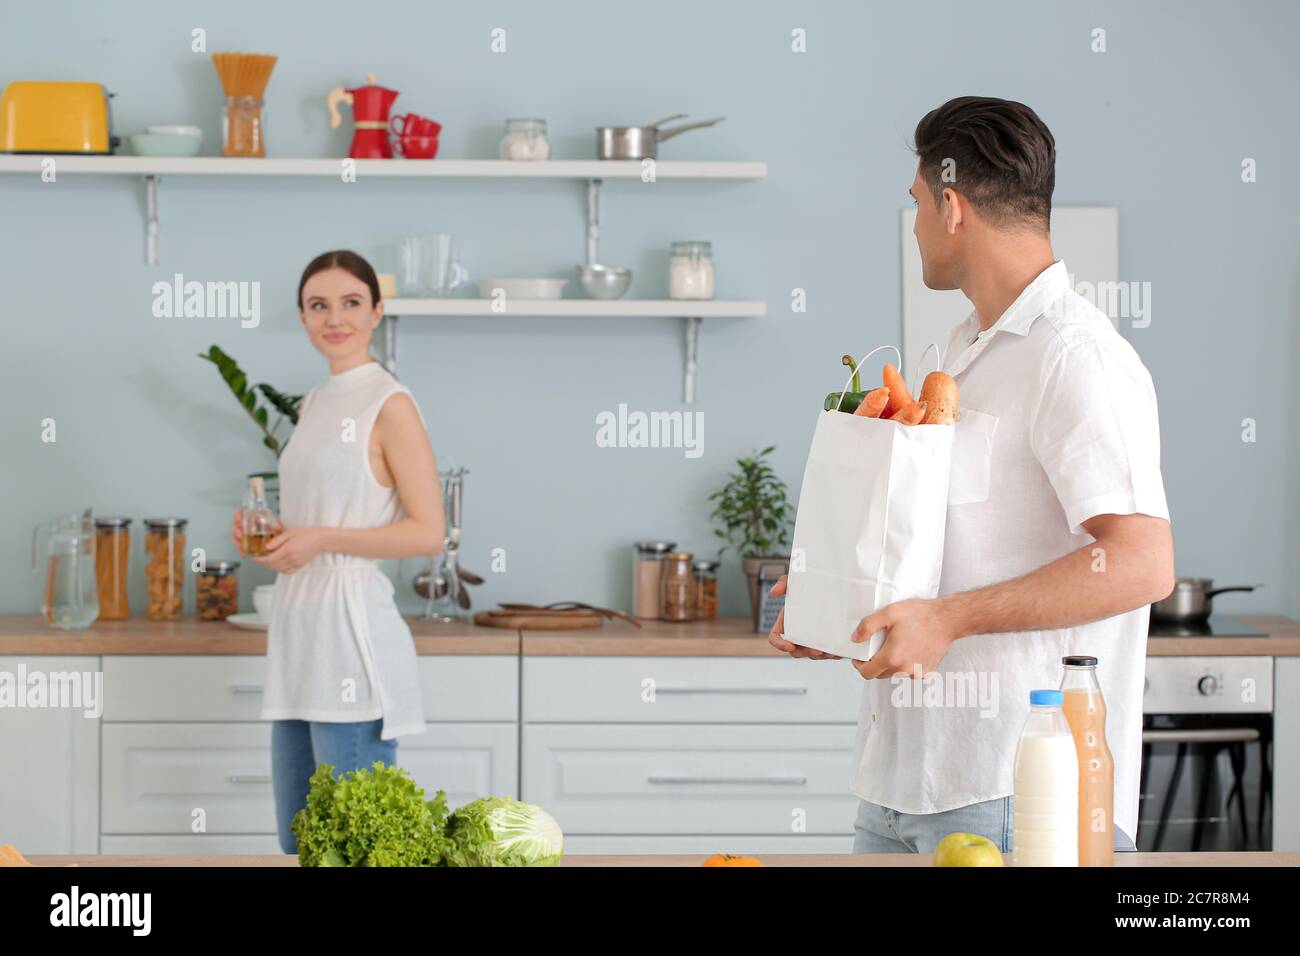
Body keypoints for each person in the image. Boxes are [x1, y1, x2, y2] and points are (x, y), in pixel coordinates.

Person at [769, 97, 1174, 854]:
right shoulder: (957, 351)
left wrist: (948, 620)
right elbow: (955, 543)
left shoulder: (1074, 356)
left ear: (951, 205)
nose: (916, 221)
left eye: (917, 202)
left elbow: (1142, 562)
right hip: (900, 786)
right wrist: (846, 602)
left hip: (1019, 792)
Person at [229, 250, 444, 854]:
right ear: (302, 317)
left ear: (377, 312)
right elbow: (318, 512)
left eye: (351, 302)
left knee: (355, 848)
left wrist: (321, 539)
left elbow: (428, 532)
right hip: (300, 637)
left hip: (351, 641)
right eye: (318, 305)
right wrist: (273, 531)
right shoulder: (314, 402)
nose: (334, 317)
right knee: (302, 842)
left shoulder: (389, 404)